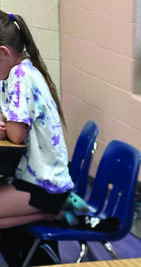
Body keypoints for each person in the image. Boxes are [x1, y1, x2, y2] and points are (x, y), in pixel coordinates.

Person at [0, 11, 73, 229]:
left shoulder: (21, 78)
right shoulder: (17, 72)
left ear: (3, 52)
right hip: (30, 176)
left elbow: (16, 135)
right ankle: (49, 215)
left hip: (46, 186)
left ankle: (52, 213)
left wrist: (6, 127)